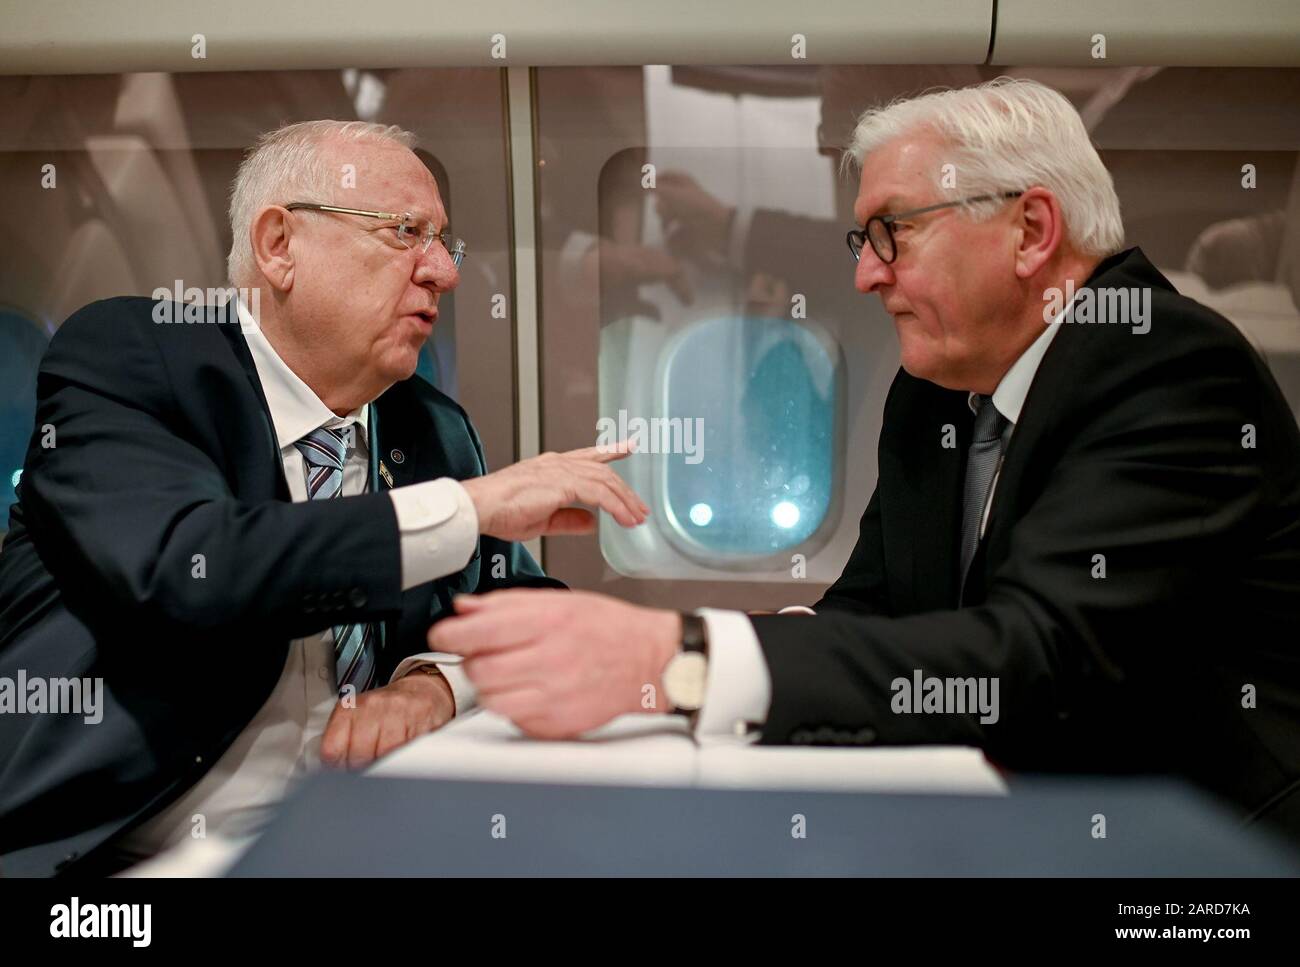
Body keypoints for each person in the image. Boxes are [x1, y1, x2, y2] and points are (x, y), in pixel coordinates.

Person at [429, 79, 1300, 839]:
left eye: (893, 232)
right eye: (863, 241)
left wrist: (679, 657)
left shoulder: (1166, 361)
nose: (864, 278)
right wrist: (668, 671)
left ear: (1031, 229)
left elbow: (1038, 657)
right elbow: (874, 608)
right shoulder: (937, 395)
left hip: (1201, 865)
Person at [0, 119, 648, 876]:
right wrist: (468, 508)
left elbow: (522, 610)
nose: (444, 270)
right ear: (280, 245)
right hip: (113, 862)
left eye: (445, 241)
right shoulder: (135, 359)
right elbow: (192, 565)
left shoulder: (427, 425)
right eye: (406, 231)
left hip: (346, 846)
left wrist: (432, 685)